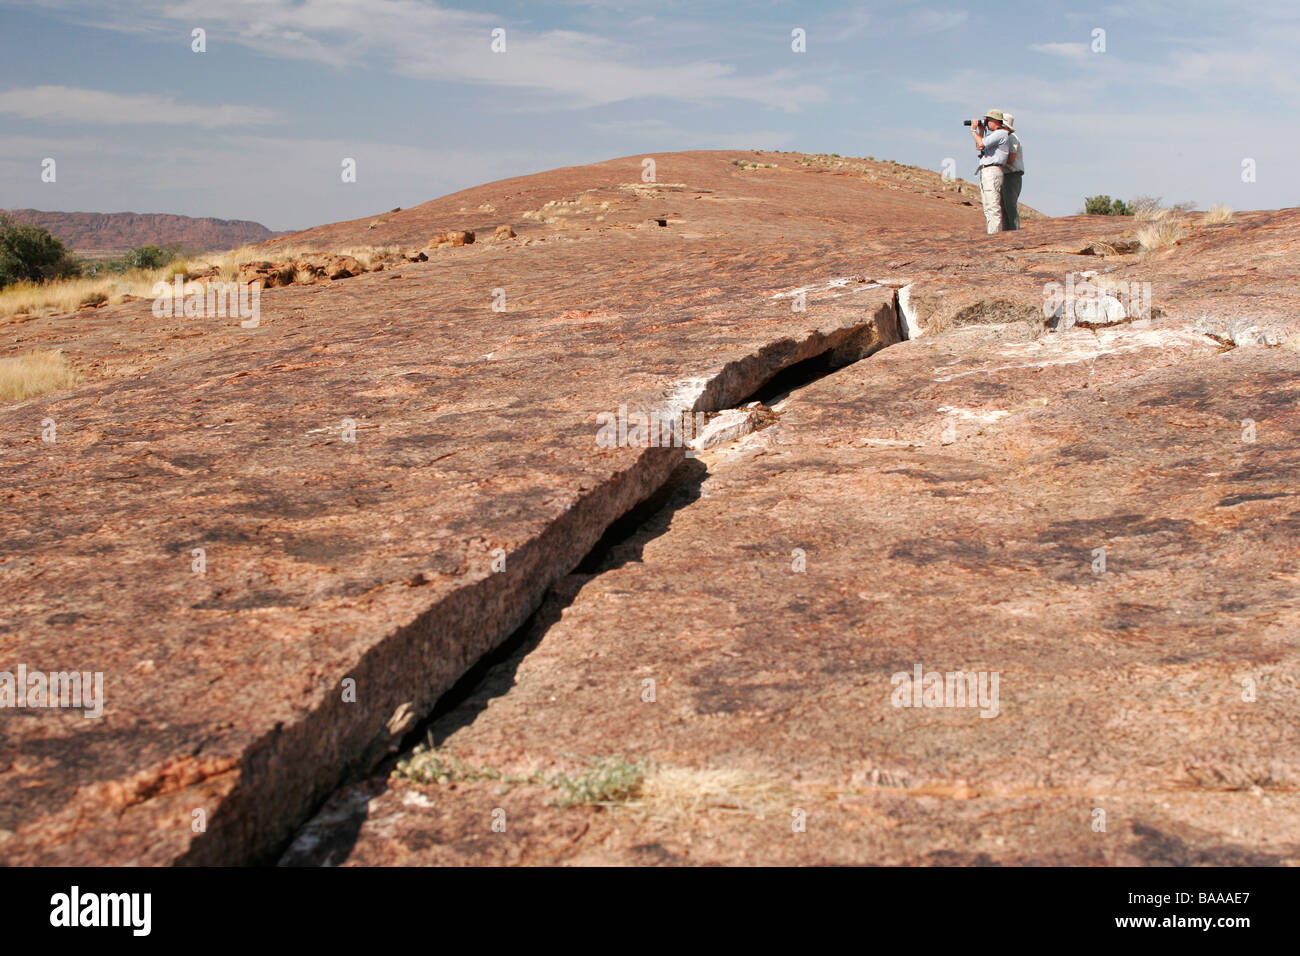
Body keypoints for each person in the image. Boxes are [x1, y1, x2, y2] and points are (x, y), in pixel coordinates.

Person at [971, 108, 1010, 234]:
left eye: (988, 120)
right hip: (987, 171)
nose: (986, 122)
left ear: (995, 121)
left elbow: (981, 144)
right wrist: (981, 132)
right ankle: (991, 232)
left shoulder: (1001, 133)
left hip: (992, 170)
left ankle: (995, 234)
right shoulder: (993, 135)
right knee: (988, 205)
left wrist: (973, 130)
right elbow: (979, 146)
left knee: (992, 205)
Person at [1000, 113, 1024, 231]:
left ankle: (1014, 231)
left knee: (1010, 205)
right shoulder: (1007, 137)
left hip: (1012, 174)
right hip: (1007, 174)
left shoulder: (1011, 138)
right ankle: (1008, 231)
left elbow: (1011, 158)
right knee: (1004, 206)